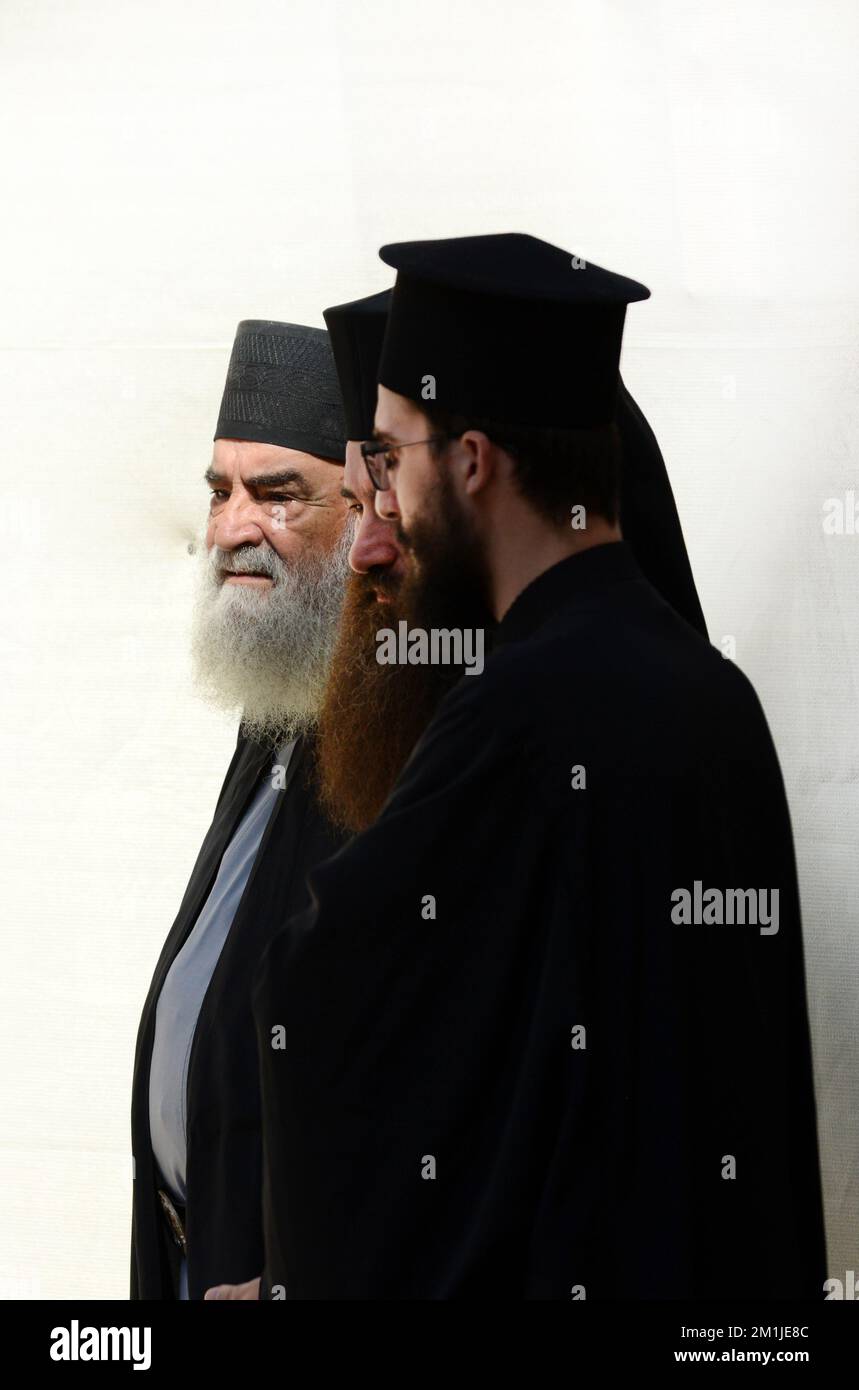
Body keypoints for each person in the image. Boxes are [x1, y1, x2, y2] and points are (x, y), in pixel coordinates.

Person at [252, 234, 826, 1299]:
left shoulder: (513, 712)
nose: (376, 514)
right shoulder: (712, 695)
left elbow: (327, 1005)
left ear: (469, 460)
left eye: (387, 461)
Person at [130, 320, 350, 1299]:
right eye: (220, 490)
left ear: (369, 513)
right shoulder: (276, 712)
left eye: (276, 493)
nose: (229, 528)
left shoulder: (407, 744)